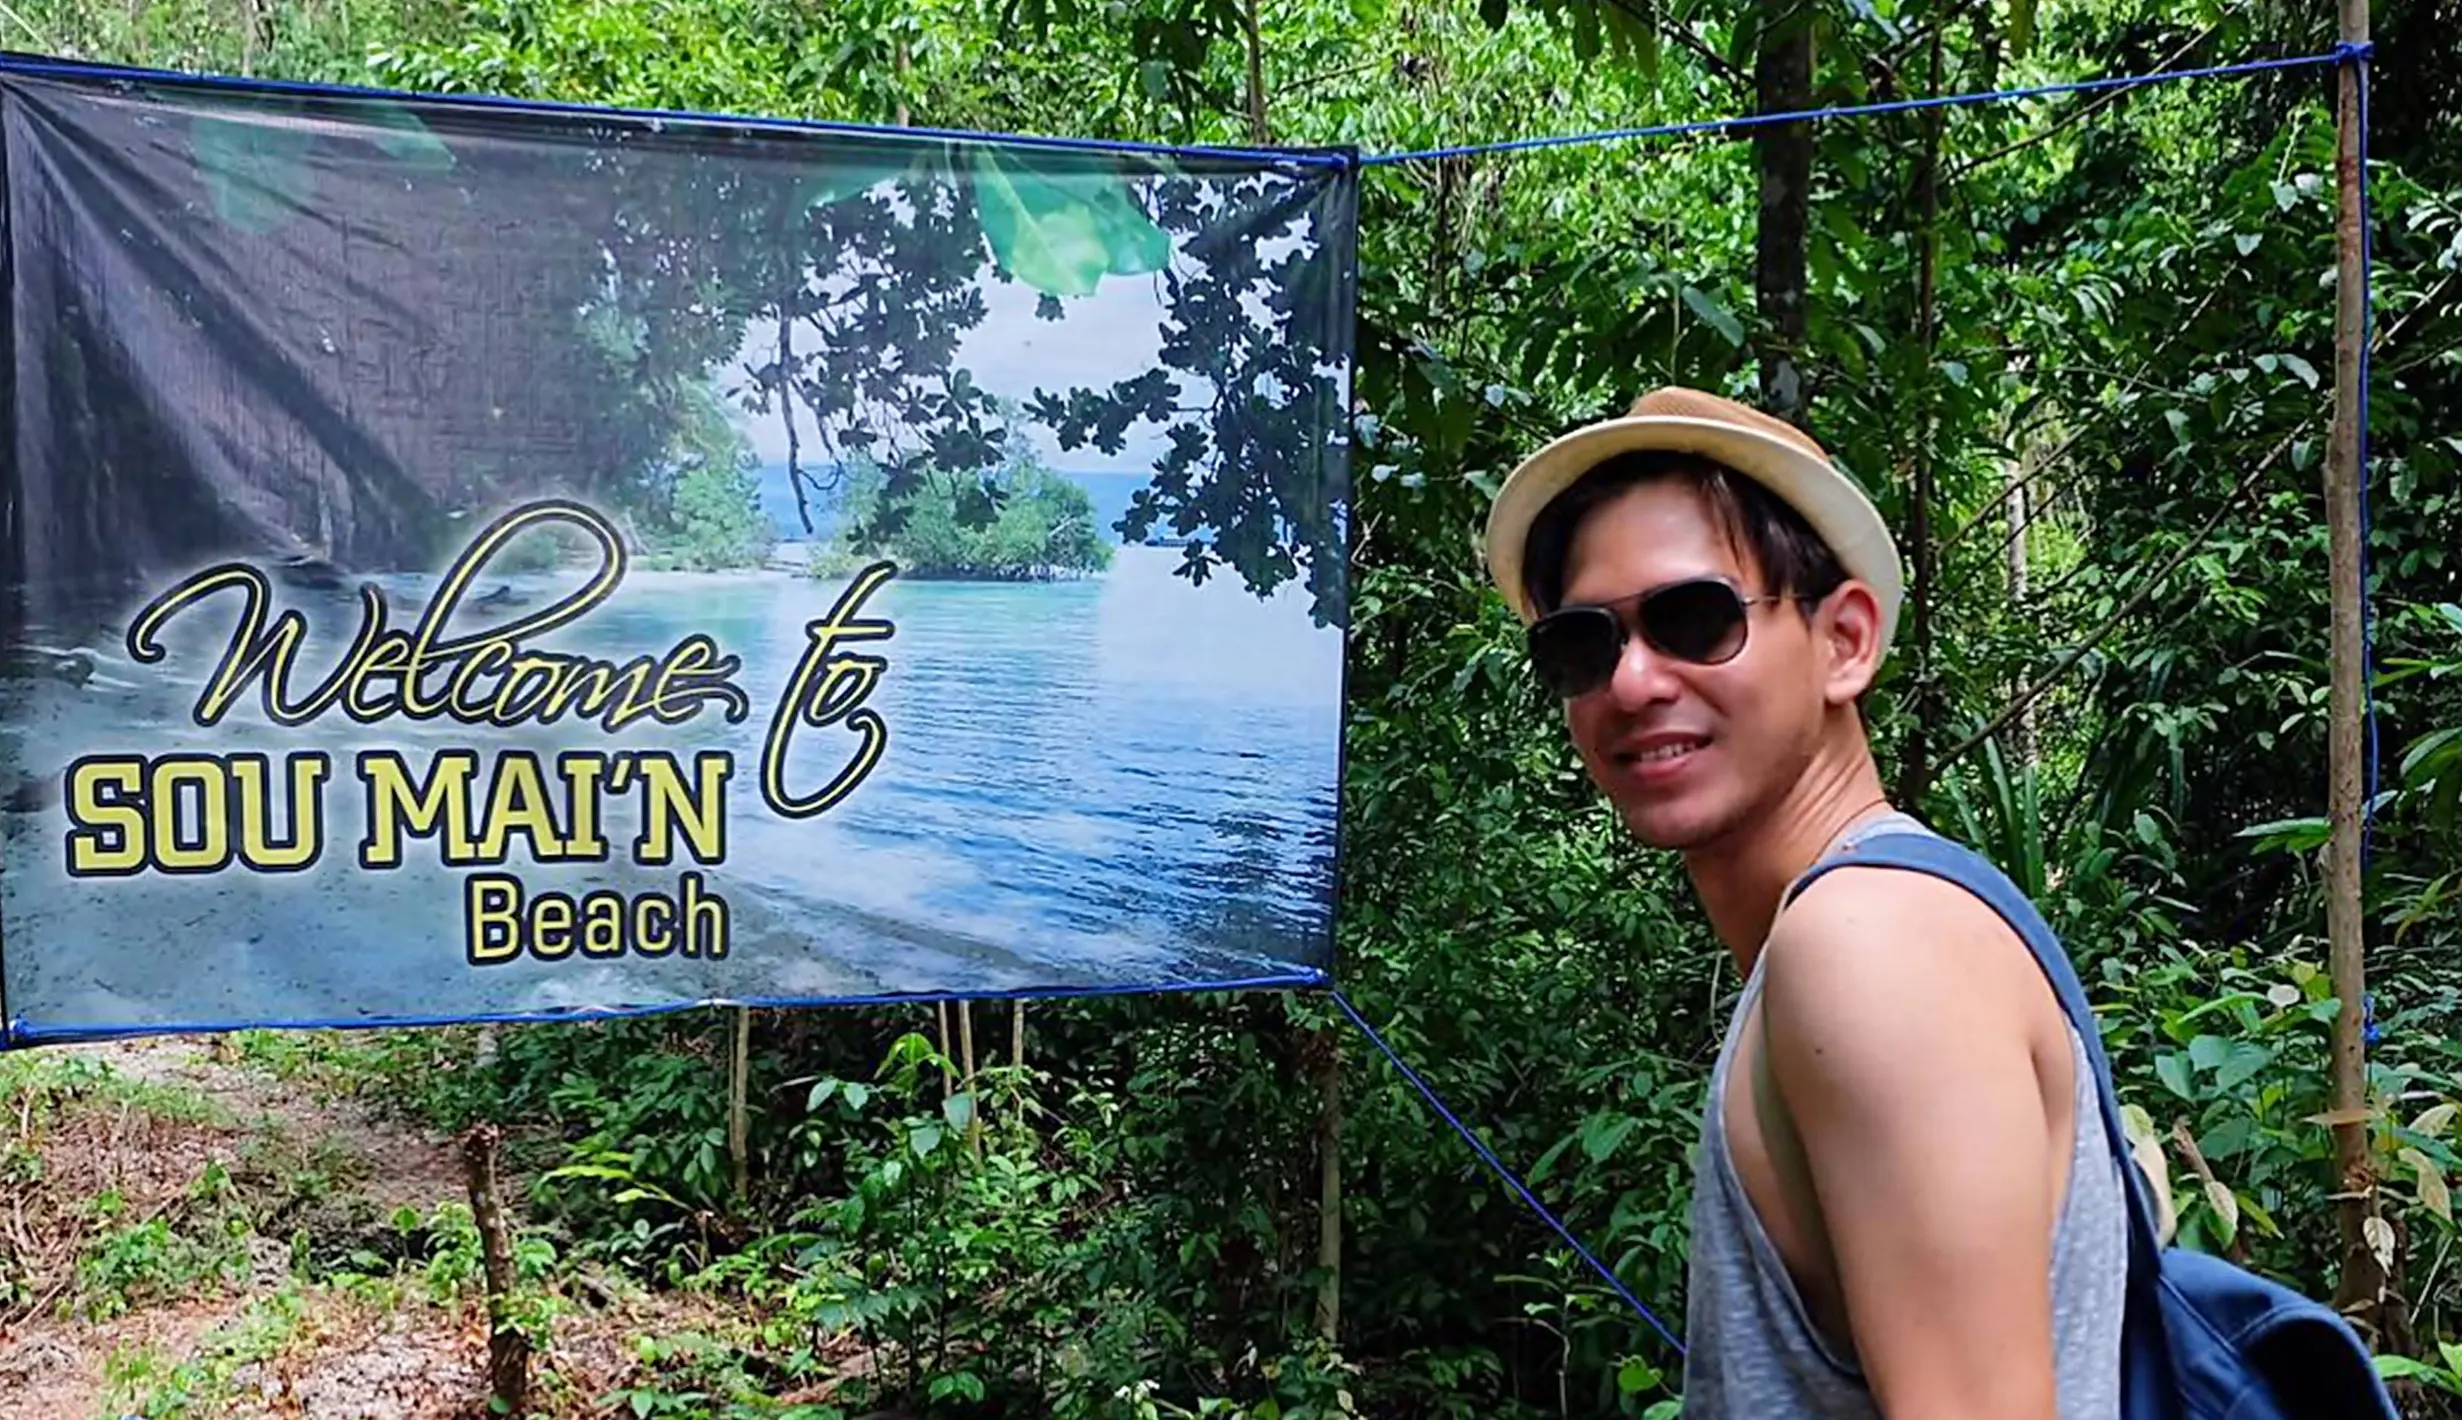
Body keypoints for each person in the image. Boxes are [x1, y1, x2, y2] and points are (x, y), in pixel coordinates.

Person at [1481, 386, 2130, 1419]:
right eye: (1584, 644)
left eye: (1692, 619)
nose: (1634, 680)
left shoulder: (1870, 945)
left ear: (1844, 642)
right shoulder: (1850, 933)